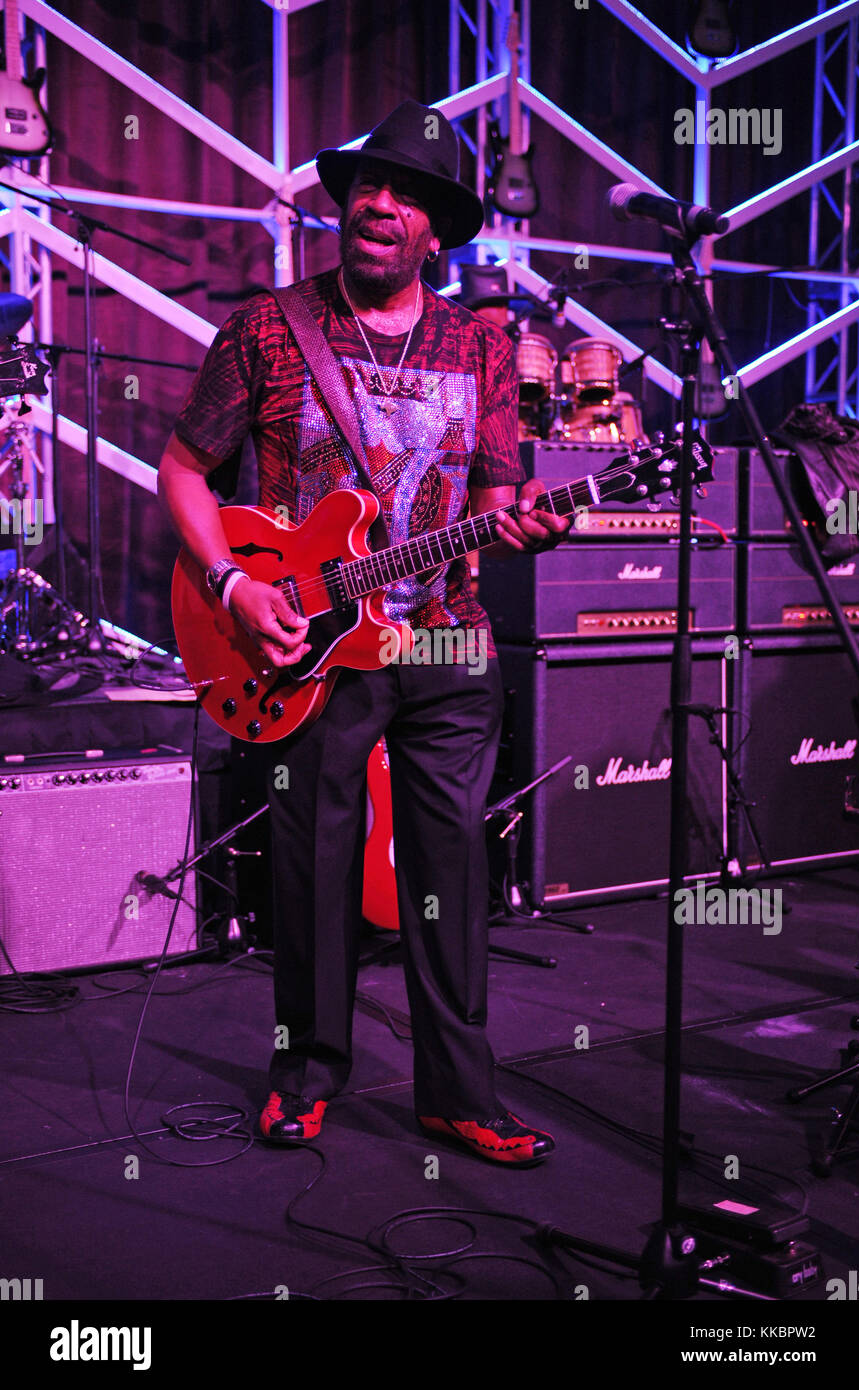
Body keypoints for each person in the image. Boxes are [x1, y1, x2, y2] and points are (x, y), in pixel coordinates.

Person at [158, 100, 570, 1166]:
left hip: (444, 638)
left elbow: (498, 486)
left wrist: (521, 523)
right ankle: (304, 1076)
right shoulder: (269, 326)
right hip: (308, 644)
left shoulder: (478, 342)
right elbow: (182, 469)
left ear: (436, 228)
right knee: (309, 869)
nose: (379, 205)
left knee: (450, 869)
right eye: (366, 188)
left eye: (407, 196)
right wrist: (232, 586)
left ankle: (457, 1094)